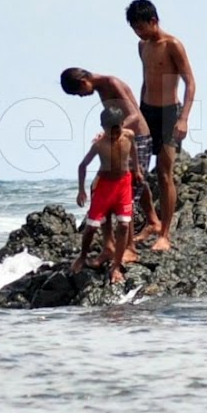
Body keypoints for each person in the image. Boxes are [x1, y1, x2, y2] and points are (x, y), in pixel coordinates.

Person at [59, 67, 161, 240]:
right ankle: (152, 222)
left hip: (138, 138)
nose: (81, 97)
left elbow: (134, 115)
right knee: (131, 181)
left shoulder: (111, 83)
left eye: (79, 93)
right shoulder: (101, 87)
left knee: (129, 185)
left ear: (84, 82)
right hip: (121, 137)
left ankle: (129, 246)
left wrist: (110, 132)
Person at [127, 0, 195, 251]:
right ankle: (152, 222)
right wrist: (137, 113)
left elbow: (190, 82)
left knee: (165, 174)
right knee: (137, 171)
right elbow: (146, 79)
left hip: (169, 114)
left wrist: (184, 118)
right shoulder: (141, 46)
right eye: (134, 29)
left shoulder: (172, 45)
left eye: (141, 27)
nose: (138, 33)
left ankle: (164, 234)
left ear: (153, 21)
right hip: (146, 112)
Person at [72, 105, 142, 285]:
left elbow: (133, 150)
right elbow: (82, 166)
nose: (113, 134)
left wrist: (138, 170)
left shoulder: (129, 135)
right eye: (109, 131)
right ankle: (82, 256)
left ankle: (116, 266)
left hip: (123, 184)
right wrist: (81, 190)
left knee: (125, 225)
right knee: (92, 227)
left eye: (116, 129)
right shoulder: (99, 144)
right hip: (104, 187)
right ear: (102, 128)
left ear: (121, 124)